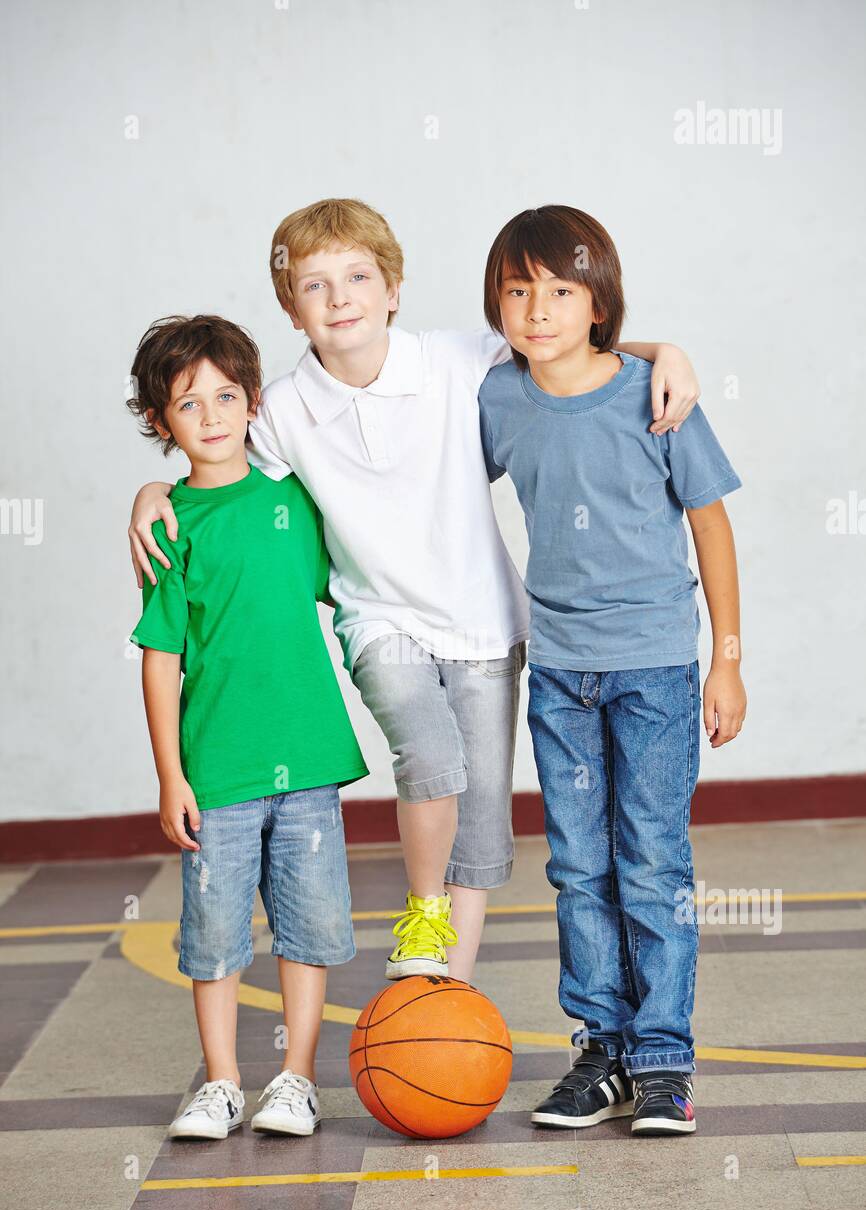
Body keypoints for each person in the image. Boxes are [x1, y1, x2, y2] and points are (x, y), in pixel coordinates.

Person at [128, 198, 702, 985]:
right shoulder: (283, 411)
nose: (340, 299)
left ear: (393, 289)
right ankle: (423, 910)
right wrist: (153, 493)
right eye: (315, 286)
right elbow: (210, 458)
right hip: (379, 621)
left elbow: (562, 343)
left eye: (358, 277)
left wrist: (662, 350)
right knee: (429, 755)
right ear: (291, 311)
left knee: (483, 817)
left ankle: (448, 990)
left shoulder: (457, 360)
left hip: (486, 624)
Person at [479, 205, 746, 1137]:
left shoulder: (655, 391)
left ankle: (664, 1060)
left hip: (657, 671)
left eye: (560, 289)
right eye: (518, 291)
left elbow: (711, 525)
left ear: (598, 301)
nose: (538, 309)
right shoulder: (498, 400)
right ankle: (602, 1051)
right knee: (578, 868)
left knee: (653, 860)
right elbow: (417, 478)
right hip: (558, 673)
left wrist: (728, 661)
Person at [126, 313, 368, 1140]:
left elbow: (365, 567)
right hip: (217, 771)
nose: (214, 416)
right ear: (161, 423)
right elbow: (162, 659)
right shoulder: (169, 529)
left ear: (254, 400)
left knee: (307, 929)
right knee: (215, 935)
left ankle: (296, 1080)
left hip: (306, 761)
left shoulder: (296, 499)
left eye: (227, 396)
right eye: (190, 406)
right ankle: (224, 1083)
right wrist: (171, 775)